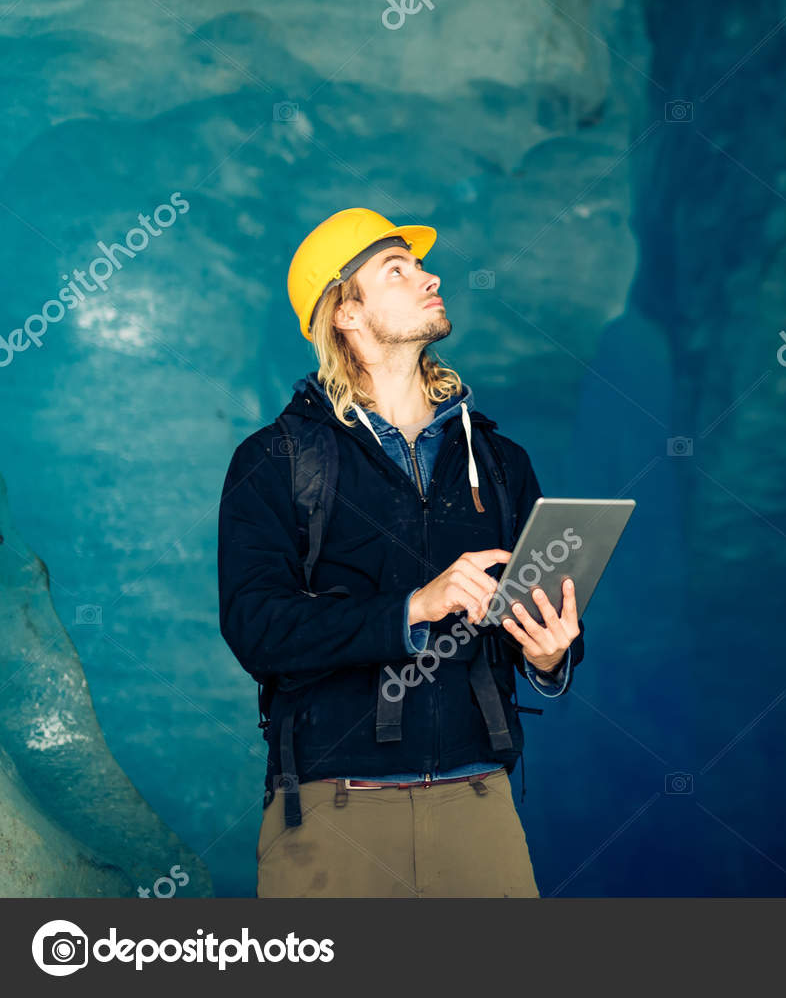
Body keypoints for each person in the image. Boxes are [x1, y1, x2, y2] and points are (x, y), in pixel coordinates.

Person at [217, 206, 583, 897]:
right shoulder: (275, 461)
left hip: (480, 807)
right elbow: (257, 628)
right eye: (398, 269)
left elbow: (543, 623)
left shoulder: (502, 462)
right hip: (334, 812)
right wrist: (411, 608)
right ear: (346, 312)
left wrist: (551, 654)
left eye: (420, 265)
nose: (430, 276)